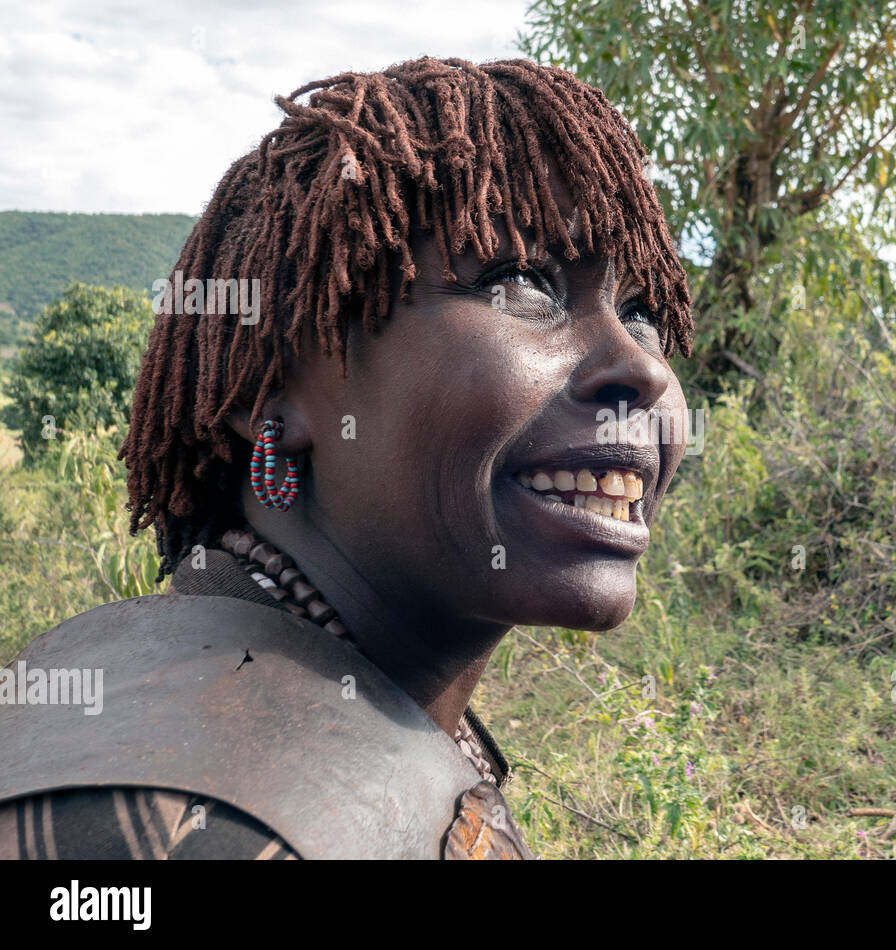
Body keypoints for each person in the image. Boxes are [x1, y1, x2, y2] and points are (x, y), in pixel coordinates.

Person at [0, 56, 694, 860]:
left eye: (640, 309)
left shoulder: (297, 702)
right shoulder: (190, 825)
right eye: (522, 282)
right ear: (270, 394)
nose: (643, 370)